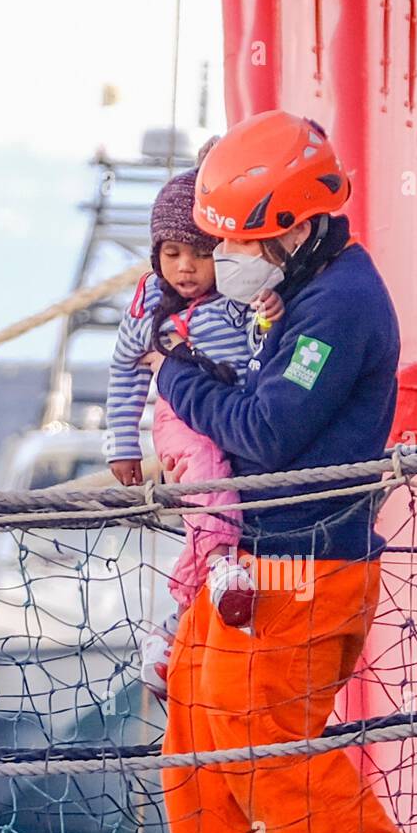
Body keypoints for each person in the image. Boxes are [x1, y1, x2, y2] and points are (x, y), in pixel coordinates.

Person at [114, 111, 417, 833]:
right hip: (250, 572)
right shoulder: (294, 290)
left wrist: (174, 371)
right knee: (197, 755)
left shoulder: (340, 307)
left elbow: (269, 434)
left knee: (277, 766)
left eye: (244, 243)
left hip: (303, 575)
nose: (226, 261)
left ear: (298, 229)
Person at [105, 154, 284, 687]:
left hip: (228, 411)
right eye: (172, 253)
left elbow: (262, 349)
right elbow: (125, 369)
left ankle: (170, 628)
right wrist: (123, 444)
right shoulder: (148, 307)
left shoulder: (238, 295)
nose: (185, 267)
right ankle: (224, 561)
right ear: (156, 254)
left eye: (201, 254)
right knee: (208, 473)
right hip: (181, 417)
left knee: (223, 489)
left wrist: (270, 313)